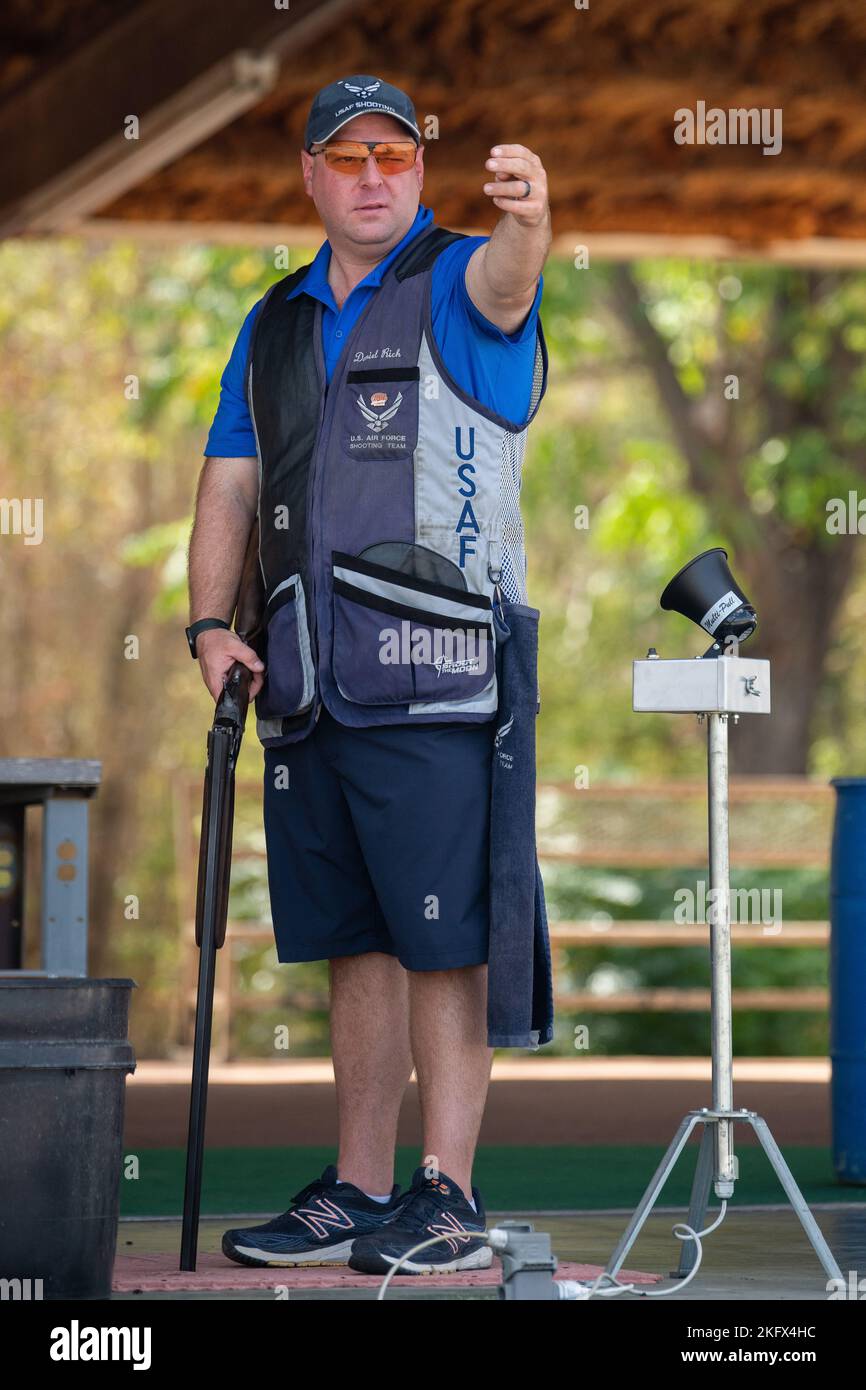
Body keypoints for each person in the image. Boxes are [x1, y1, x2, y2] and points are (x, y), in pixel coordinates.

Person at [187, 73, 551, 1275]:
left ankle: (444, 1195)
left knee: (442, 939)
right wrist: (204, 625)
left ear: (421, 171)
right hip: (307, 684)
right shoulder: (274, 321)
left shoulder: (458, 278)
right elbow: (232, 481)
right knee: (356, 939)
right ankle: (355, 1187)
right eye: (346, 158)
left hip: (438, 680)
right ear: (310, 175)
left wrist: (527, 225)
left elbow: (508, 289)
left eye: (393, 154)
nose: (373, 175)